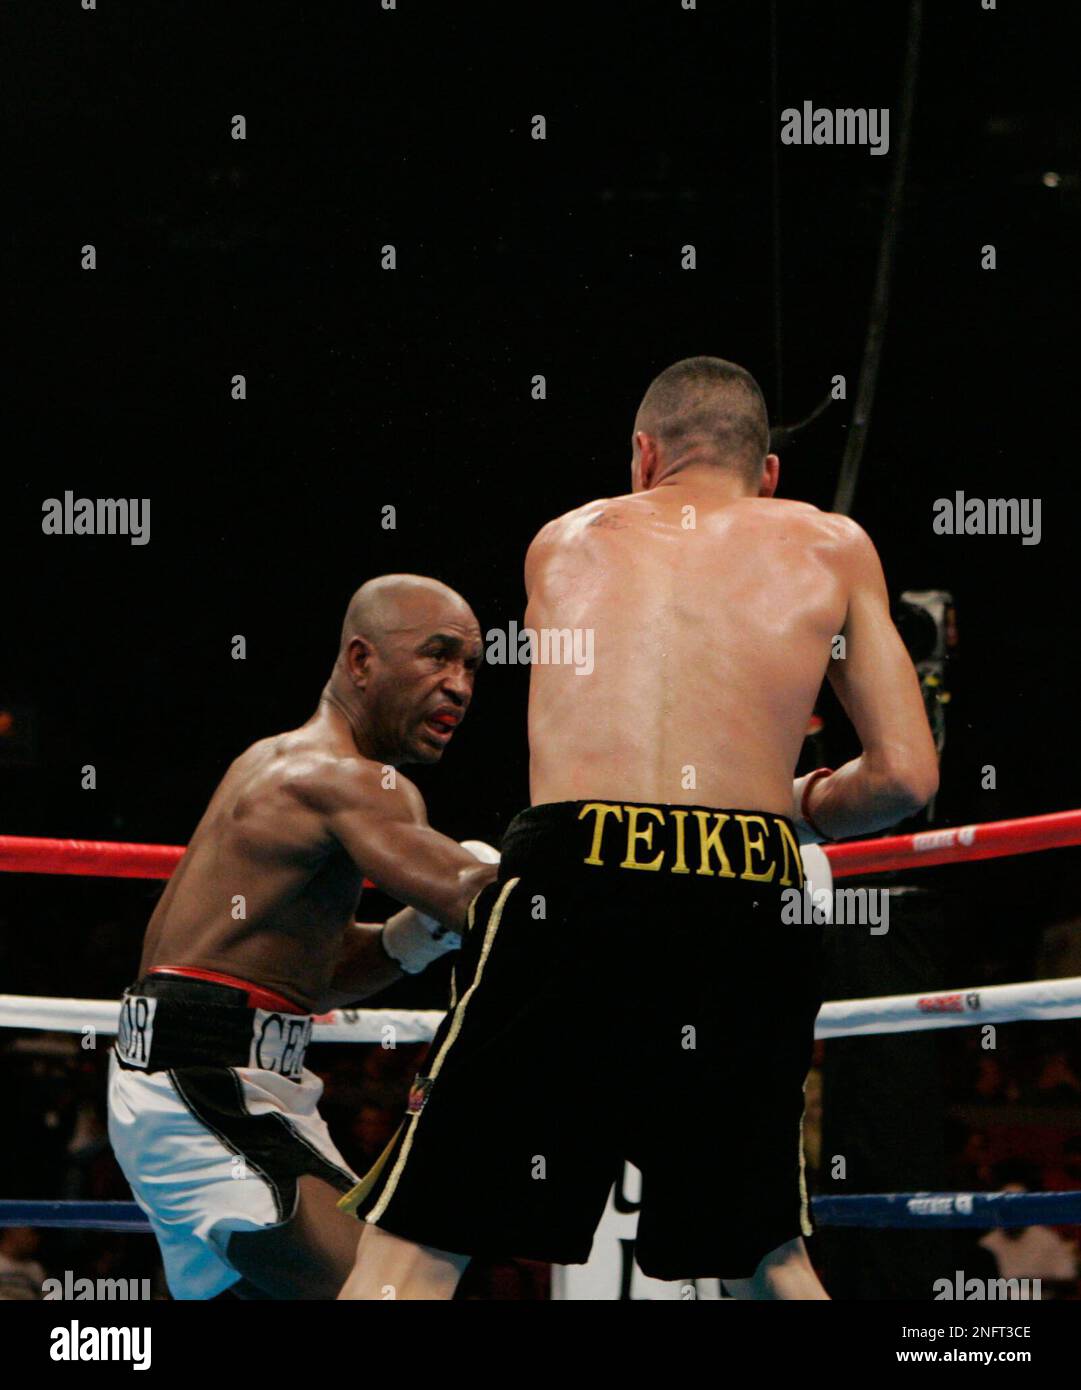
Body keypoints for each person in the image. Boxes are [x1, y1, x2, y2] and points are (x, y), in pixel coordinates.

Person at [338, 357, 938, 1301]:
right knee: (760, 1254)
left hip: (578, 867)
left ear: (642, 454)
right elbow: (906, 775)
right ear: (767, 473)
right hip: (748, 883)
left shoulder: (565, 538)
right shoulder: (832, 544)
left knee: (422, 1239)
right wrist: (796, 800)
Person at [107, 574, 499, 1299]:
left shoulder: (276, 760)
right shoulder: (343, 780)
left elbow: (314, 973)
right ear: (360, 661)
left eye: (471, 666)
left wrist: (419, 936)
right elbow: (483, 900)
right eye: (437, 657)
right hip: (206, 1087)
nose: (459, 686)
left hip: (232, 1080)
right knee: (390, 1286)